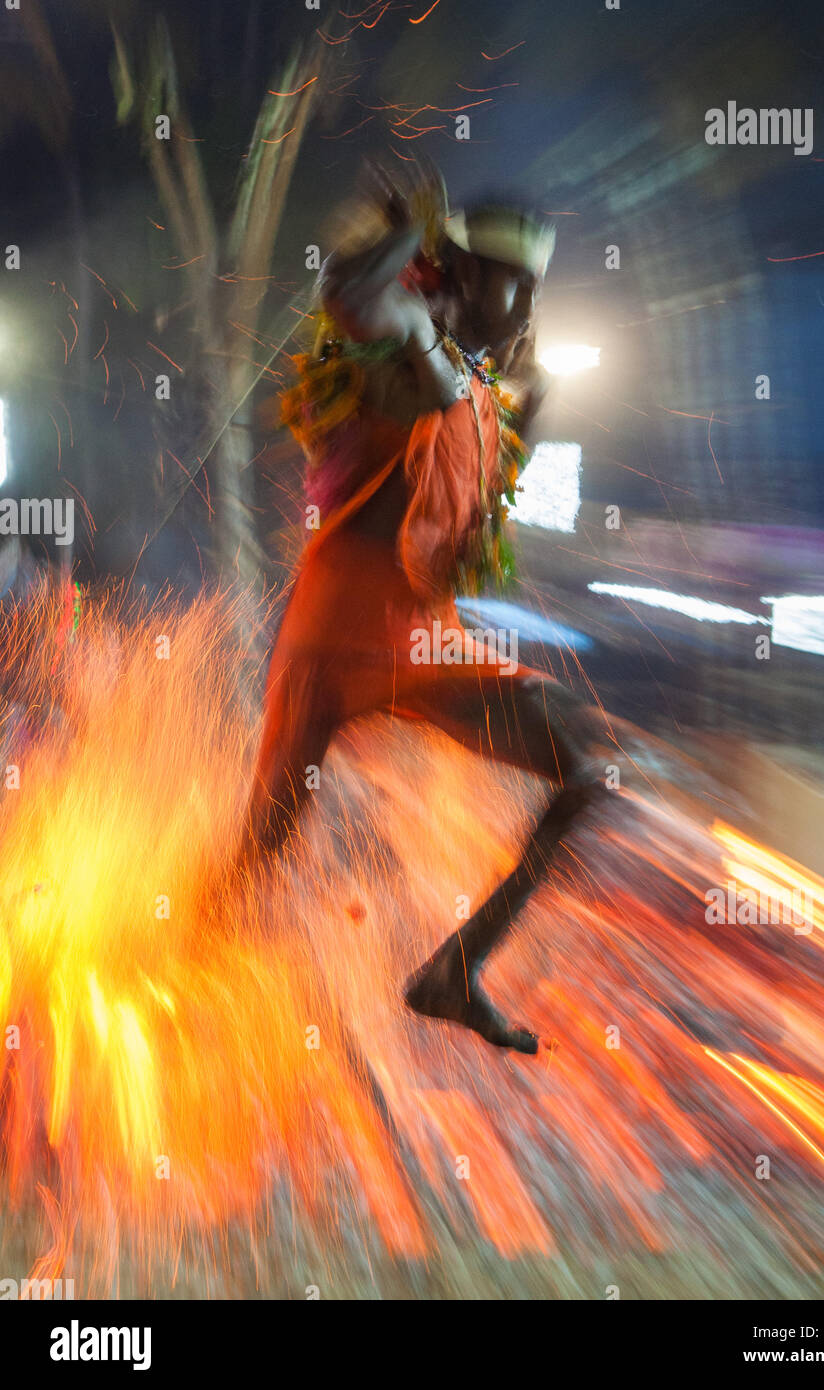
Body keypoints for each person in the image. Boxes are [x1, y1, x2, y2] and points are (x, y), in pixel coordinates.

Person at [238, 170, 615, 1054]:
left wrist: (524, 399)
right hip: (342, 636)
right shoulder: (412, 339)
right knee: (260, 849)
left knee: (592, 767)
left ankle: (453, 972)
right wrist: (414, 234)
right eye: (507, 281)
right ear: (460, 275)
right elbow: (352, 294)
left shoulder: (483, 387)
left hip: (403, 637)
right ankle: (153, 967)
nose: (525, 305)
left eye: (535, 288)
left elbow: (480, 473)